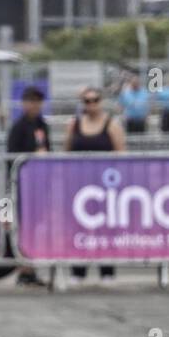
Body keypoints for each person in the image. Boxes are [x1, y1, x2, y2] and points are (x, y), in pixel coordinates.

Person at [64, 86, 123, 283]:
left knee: (105, 229)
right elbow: (66, 153)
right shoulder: (74, 124)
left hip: (105, 187)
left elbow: (122, 156)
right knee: (78, 228)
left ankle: (107, 271)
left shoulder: (112, 125)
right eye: (87, 101)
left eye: (95, 100)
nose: (91, 104)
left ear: (101, 101)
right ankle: (78, 271)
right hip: (79, 186)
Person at [4, 86, 49, 286]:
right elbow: (10, 156)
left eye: (37, 101)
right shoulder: (19, 126)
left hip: (38, 185)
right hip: (21, 185)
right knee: (22, 227)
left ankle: (31, 267)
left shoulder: (42, 124)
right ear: (24, 103)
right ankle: (24, 268)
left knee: (36, 228)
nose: (34, 105)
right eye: (30, 101)